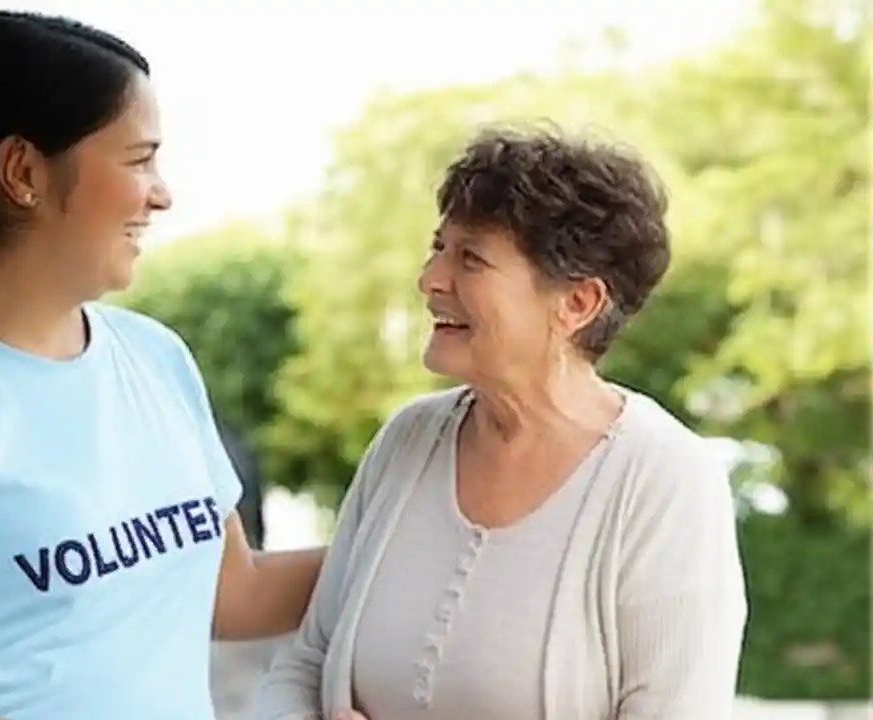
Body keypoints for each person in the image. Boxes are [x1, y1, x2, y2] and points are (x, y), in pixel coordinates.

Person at [0, 12, 322, 720]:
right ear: (23, 172)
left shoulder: (156, 358)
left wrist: (431, 540)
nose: (161, 192)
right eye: (139, 159)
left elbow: (236, 591)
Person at [253, 128, 748, 720]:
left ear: (577, 304)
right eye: (438, 248)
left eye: (471, 258)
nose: (431, 279)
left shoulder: (665, 479)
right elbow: (307, 661)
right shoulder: (408, 439)